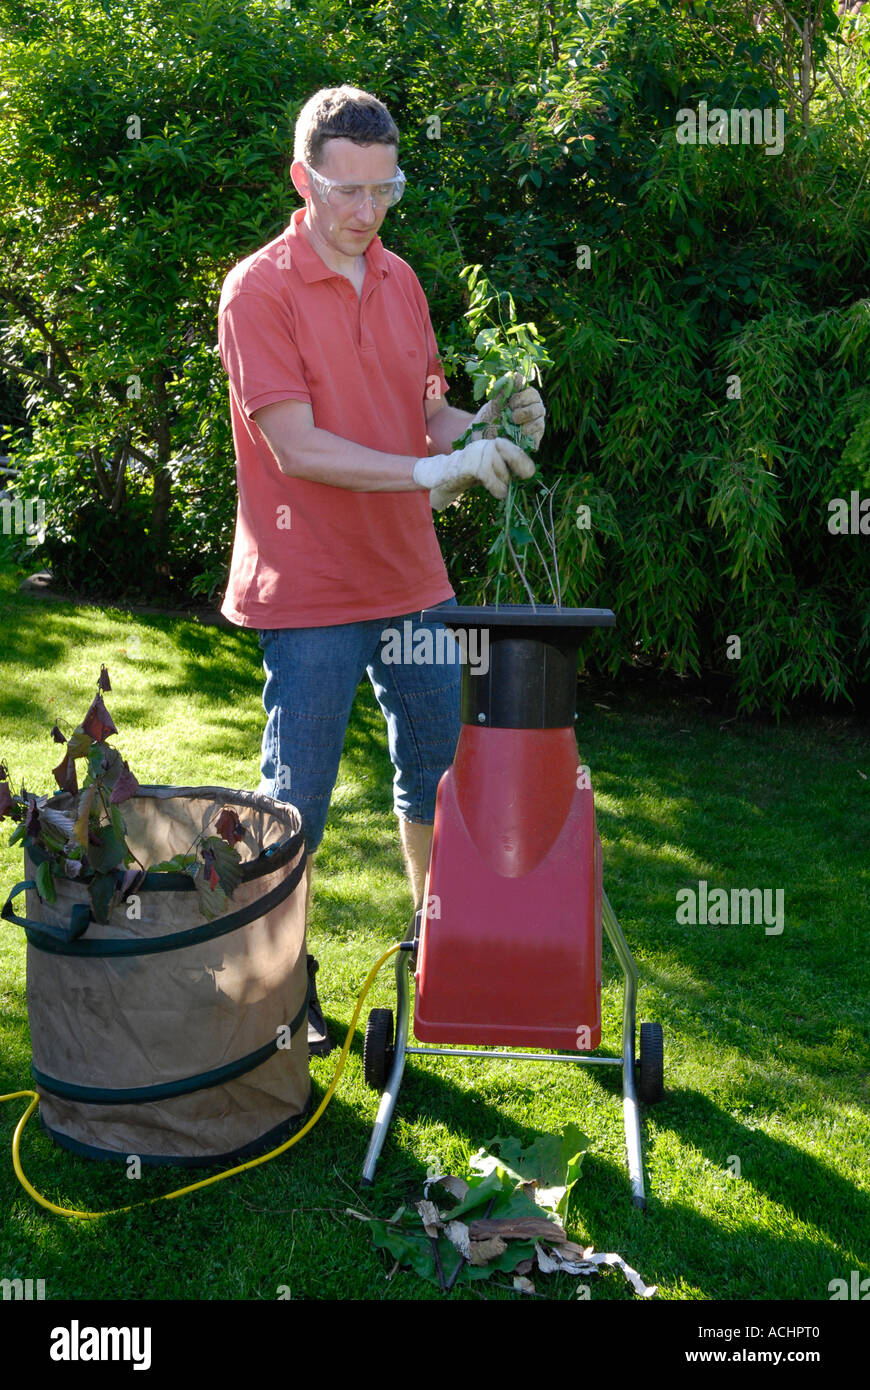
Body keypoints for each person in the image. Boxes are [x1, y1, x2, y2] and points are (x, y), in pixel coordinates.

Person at [217, 85, 545, 1052]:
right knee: (294, 799)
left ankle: (434, 945)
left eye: (384, 189)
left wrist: (488, 424)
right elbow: (298, 448)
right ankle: (278, 993)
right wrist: (432, 467)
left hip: (413, 580)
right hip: (311, 589)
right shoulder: (258, 290)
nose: (366, 212)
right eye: (345, 191)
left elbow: (427, 417)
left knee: (438, 773)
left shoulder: (401, 280)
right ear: (302, 179)